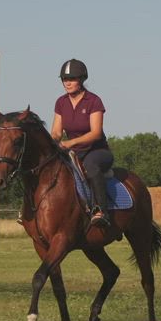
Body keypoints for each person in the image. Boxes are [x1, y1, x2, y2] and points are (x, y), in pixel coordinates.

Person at [52, 58, 114, 226]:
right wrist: (51, 143)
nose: (67, 83)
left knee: (91, 166)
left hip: (97, 151)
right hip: (73, 152)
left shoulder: (94, 101)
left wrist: (70, 143)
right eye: (65, 79)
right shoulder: (61, 102)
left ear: (81, 79)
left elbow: (95, 133)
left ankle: (102, 211)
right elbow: (57, 132)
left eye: (71, 79)